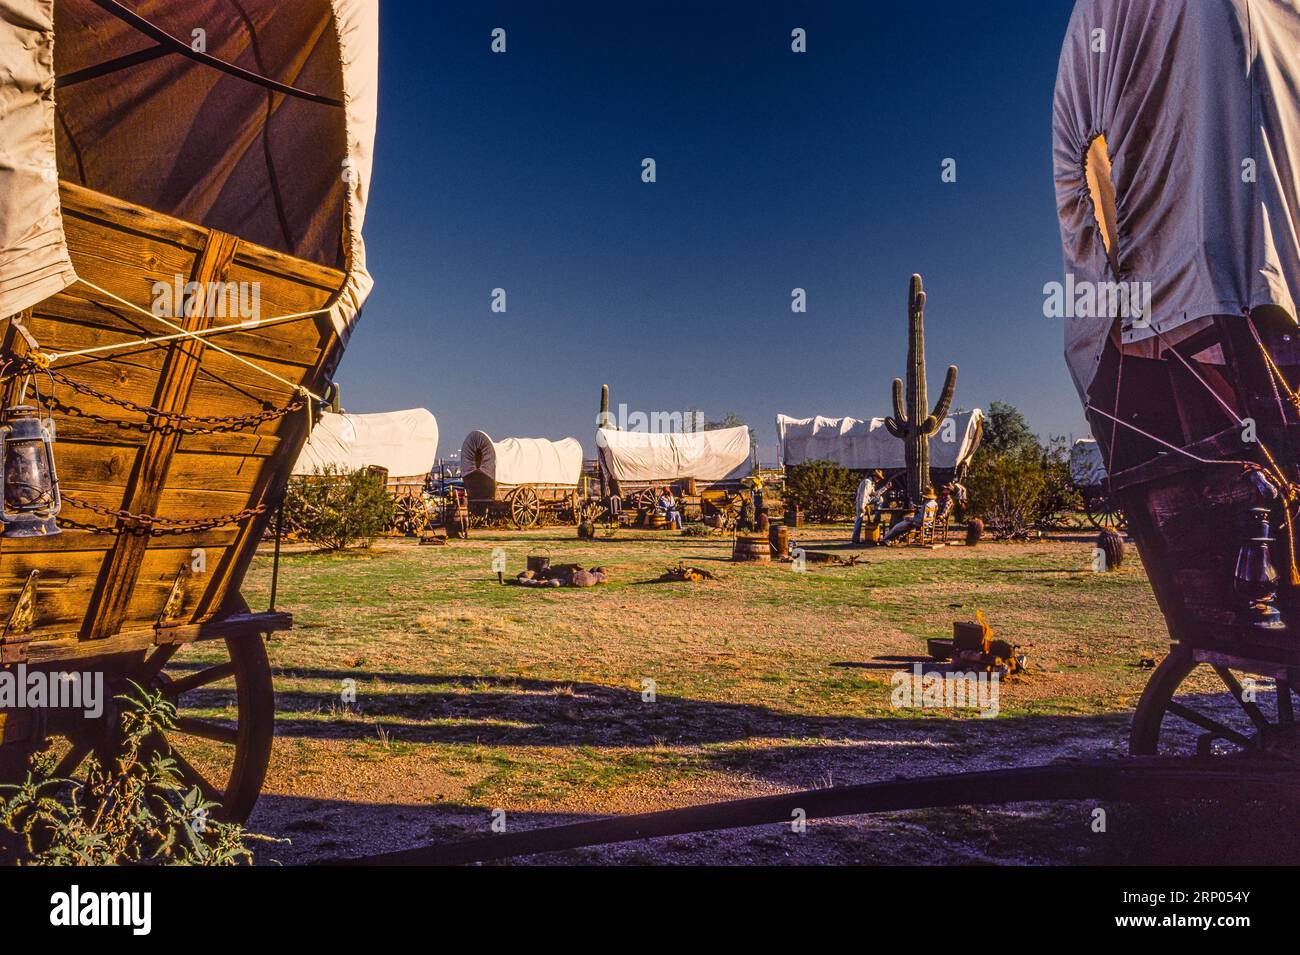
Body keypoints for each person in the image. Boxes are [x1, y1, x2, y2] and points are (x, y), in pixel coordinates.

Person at [851, 469, 885, 545]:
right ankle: (855, 539)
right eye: (878, 478)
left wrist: (885, 488)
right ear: (874, 477)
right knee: (859, 519)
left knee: (880, 498)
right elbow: (863, 495)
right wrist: (862, 506)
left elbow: (875, 494)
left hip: (867, 500)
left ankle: (877, 515)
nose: (878, 480)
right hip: (861, 502)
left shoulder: (871, 483)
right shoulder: (867, 482)